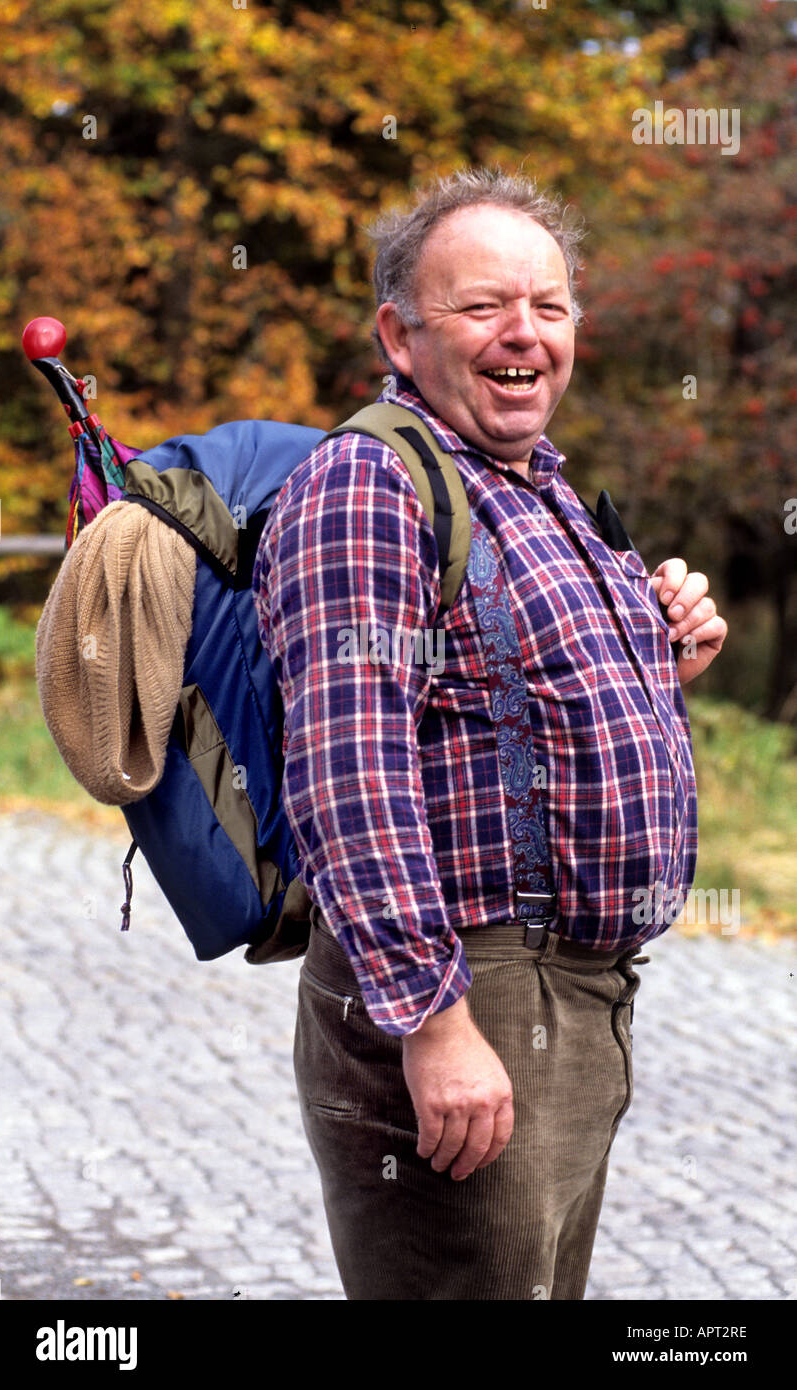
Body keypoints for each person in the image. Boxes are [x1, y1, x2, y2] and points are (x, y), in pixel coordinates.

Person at [253, 167, 727, 1300]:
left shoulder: (529, 483)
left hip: (579, 998)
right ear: (399, 334)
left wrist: (663, 664)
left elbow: (509, 708)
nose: (524, 334)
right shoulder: (370, 484)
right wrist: (434, 1024)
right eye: (481, 308)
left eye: (548, 306)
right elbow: (348, 771)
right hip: (472, 997)